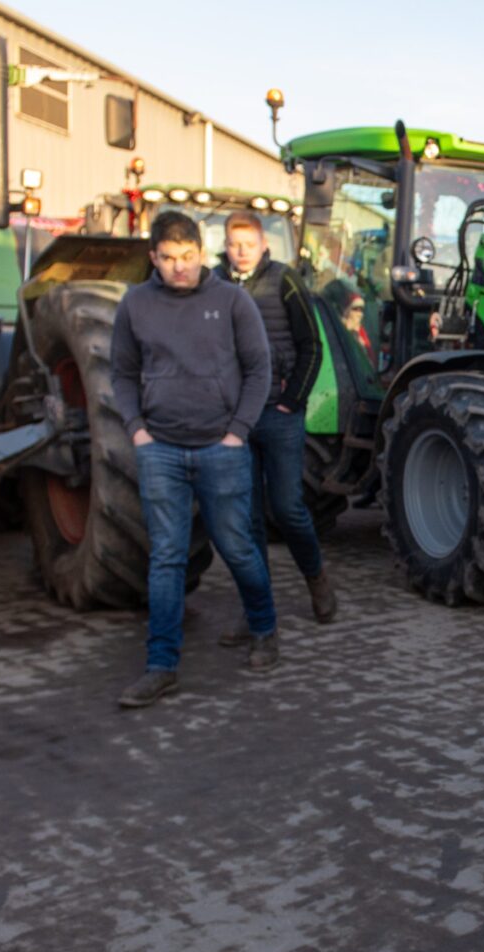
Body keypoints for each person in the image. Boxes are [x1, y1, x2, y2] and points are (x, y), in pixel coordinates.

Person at [110, 211, 278, 708]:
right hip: (159, 448)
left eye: (187, 257)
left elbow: (259, 369)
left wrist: (236, 433)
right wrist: (136, 429)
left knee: (236, 546)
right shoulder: (135, 304)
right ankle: (161, 665)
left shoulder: (232, 301)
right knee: (166, 557)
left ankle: (265, 627)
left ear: (202, 254)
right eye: (168, 259)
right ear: (153, 258)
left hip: (219, 448)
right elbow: (121, 372)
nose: (179, 268)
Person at [215, 211, 338, 637]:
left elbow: (311, 345)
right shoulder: (214, 284)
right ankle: (255, 610)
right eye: (234, 243)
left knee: (287, 508)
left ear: (263, 244)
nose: (242, 251)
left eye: (249, 243)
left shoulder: (284, 281)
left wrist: (292, 400)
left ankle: (316, 577)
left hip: (278, 415)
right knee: (247, 519)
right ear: (226, 245)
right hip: (235, 421)